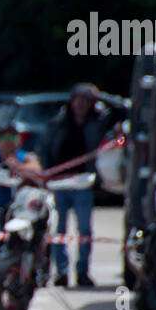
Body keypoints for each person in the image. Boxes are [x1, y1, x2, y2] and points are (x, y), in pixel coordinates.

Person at [41, 83, 126, 288]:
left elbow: (123, 109)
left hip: (83, 183)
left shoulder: (97, 122)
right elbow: (44, 149)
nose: (80, 104)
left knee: (85, 231)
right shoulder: (58, 122)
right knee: (58, 230)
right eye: (77, 99)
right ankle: (61, 272)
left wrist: (101, 95)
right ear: (71, 101)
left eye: (86, 100)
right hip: (59, 183)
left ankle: (82, 272)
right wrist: (46, 176)